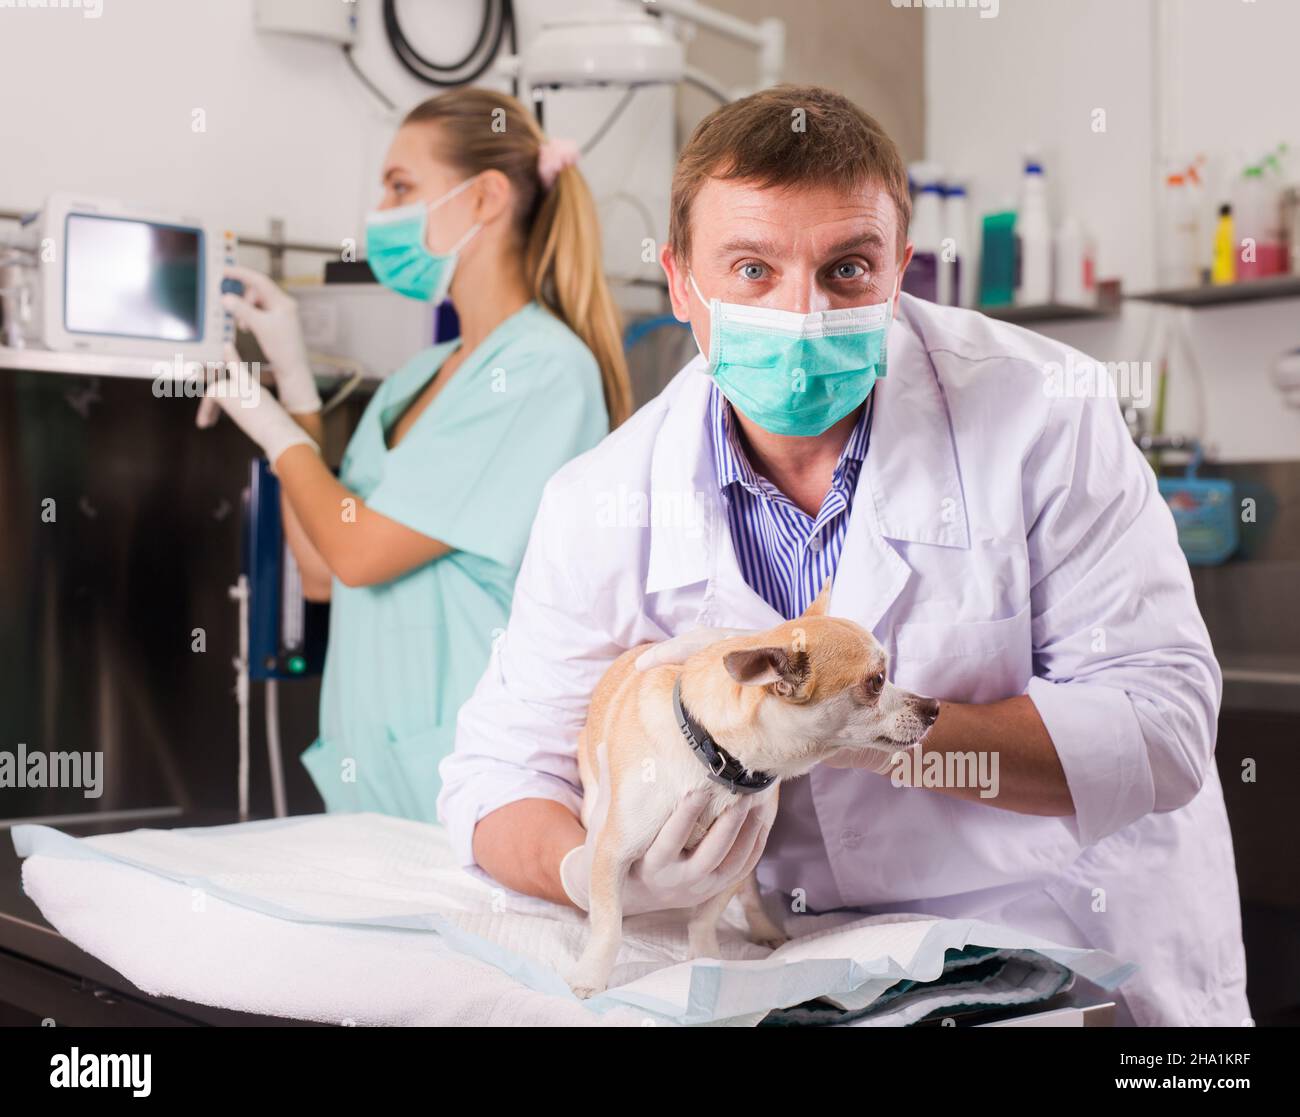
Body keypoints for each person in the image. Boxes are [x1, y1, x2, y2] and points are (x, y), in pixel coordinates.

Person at [439, 85, 1250, 1027]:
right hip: (796, 963)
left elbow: (1164, 727)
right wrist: (587, 868)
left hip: (1064, 944)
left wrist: (854, 731)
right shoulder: (600, 502)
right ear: (678, 281)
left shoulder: (1044, 411)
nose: (802, 313)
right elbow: (498, 778)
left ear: (900, 269)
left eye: (847, 270)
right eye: (750, 269)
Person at [201, 88, 631, 821]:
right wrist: (297, 388)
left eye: (402, 187)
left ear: (485, 198)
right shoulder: (417, 379)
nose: (383, 211)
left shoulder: (542, 371)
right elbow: (324, 569)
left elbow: (360, 551)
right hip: (376, 786)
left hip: (467, 786)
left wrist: (271, 427)